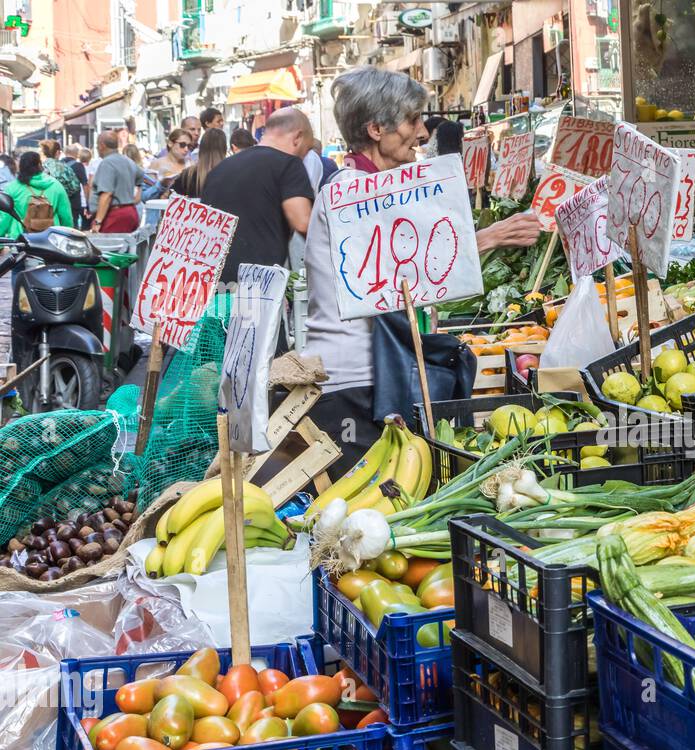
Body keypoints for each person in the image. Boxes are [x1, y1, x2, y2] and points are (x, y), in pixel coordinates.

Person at [301, 67, 541, 474]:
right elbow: (399, 277)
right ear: (376, 128)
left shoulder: (380, 189)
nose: (423, 133)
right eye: (412, 120)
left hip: (380, 378)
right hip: (355, 384)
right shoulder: (348, 193)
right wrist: (487, 238)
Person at [200, 107, 315, 283]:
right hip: (257, 287)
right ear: (298, 137)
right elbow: (303, 222)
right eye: (306, 150)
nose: (304, 156)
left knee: (223, 311)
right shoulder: (289, 164)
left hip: (214, 286)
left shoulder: (220, 170)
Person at [1, 151, 73, 239]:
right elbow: (66, 216)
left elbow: (4, 218)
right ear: (39, 165)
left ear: (20, 166)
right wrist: (68, 237)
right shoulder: (56, 185)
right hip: (51, 239)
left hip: (21, 239)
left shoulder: (12, 188)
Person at [89, 131, 143, 234]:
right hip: (130, 211)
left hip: (115, 215)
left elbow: (107, 194)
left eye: (97, 145)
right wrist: (136, 198)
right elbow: (140, 177)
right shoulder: (128, 161)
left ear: (102, 145)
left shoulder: (107, 163)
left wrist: (98, 221)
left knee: (110, 249)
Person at [173, 128, 227, 198]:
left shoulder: (188, 175)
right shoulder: (232, 174)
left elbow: (172, 198)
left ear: (201, 148)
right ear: (224, 149)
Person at [39, 140, 82, 227]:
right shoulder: (65, 168)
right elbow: (75, 187)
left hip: (41, 207)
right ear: (58, 152)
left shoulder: (39, 167)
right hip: (64, 205)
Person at [66, 146, 90, 227]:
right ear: (77, 154)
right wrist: (87, 203)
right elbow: (85, 185)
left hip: (61, 199)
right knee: (74, 224)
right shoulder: (78, 166)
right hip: (74, 201)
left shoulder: (57, 164)